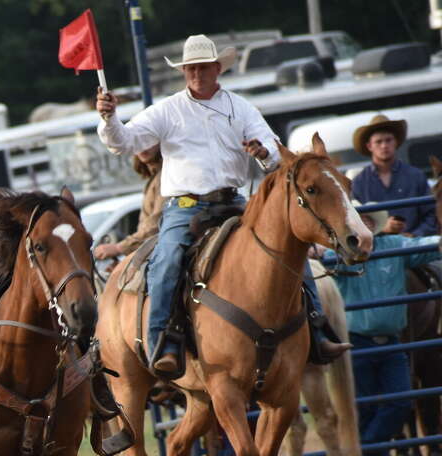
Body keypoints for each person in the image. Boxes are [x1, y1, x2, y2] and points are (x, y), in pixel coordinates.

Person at [95, 34, 349, 379]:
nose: (197, 73)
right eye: (191, 68)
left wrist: (263, 154)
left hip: (234, 202)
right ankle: (162, 342)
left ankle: (317, 328)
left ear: (217, 69)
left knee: (289, 250)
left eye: (203, 67)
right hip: (184, 207)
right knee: (167, 260)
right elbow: (124, 141)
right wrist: (109, 120)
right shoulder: (168, 110)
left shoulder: (241, 108)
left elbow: (275, 152)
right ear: (185, 71)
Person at [326, 203, 441, 456]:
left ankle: (362, 453)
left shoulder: (393, 244)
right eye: (357, 219)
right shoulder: (339, 252)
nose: (363, 224)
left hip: (390, 341)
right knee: (366, 408)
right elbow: (320, 259)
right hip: (358, 341)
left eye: (367, 220)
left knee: (399, 401)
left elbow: (427, 245)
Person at [351, 115, 438, 238]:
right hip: (380, 249)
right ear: (369, 146)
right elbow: (355, 224)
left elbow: (432, 214)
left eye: (388, 140)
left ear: (395, 142)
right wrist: (382, 228)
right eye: (379, 141)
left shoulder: (416, 176)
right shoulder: (359, 182)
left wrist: (414, 235)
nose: (384, 146)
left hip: (417, 246)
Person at [93, 146, 163, 263]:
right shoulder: (154, 178)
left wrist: (118, 248)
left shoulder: (164, 176)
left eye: (147, 140)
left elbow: (155, 226)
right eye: (137, 141)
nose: (142, 146)